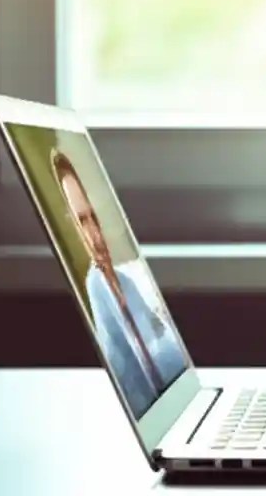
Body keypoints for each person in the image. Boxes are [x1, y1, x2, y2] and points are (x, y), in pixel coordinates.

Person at [52, 149, 186, 417]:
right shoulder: (98, 286)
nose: (94, 234)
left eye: (93, 218)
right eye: (81, 221)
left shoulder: (127, 281)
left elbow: (160, 358)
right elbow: (137, 378)